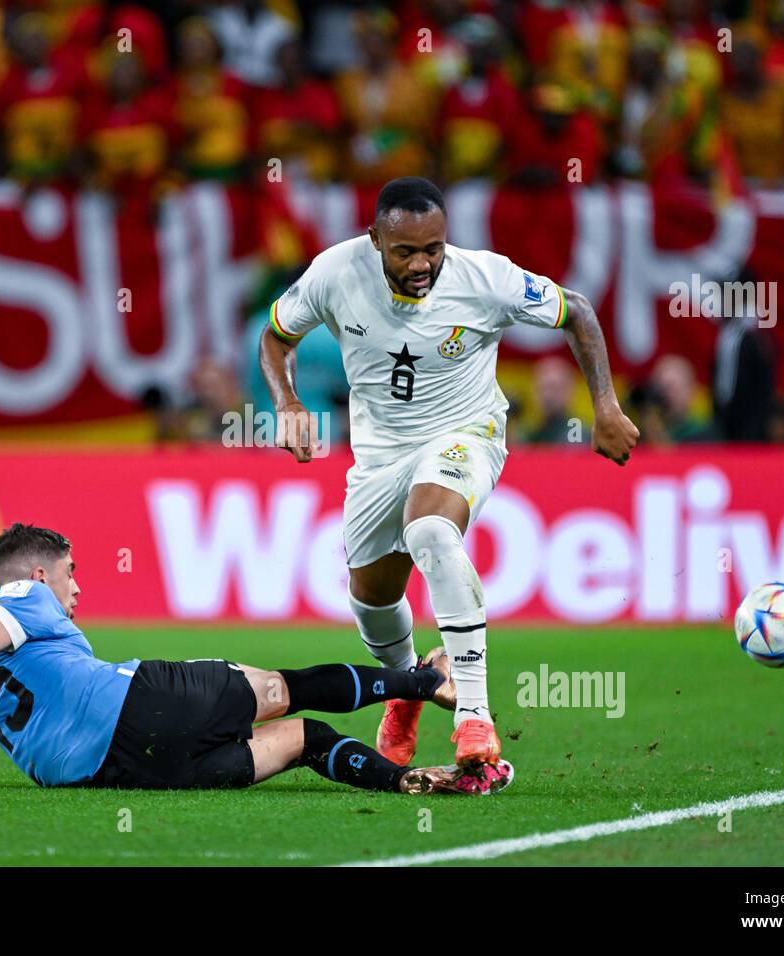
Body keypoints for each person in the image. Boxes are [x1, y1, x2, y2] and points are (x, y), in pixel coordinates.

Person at [258, 176, 638, 776]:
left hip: (465, 433)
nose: (422, 263)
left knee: (432, 530)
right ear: (375, 238)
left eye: (433, 247)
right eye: (406, 250)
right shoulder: (334, 273)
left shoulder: (484, 278)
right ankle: (411, 689)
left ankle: (474, 717)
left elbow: (578, 312)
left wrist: (607, 407)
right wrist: (287, 404)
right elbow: (276, 337)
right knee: (372, 601)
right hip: (380, 455)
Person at [0, 524, 513, 797]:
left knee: (301, 740)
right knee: (273, 686)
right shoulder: (18, 603)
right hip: (140, 708)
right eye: (70, 574)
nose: (77, 587)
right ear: (37, 574)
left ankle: (422, 782)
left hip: (121, 774)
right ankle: (423, 680)